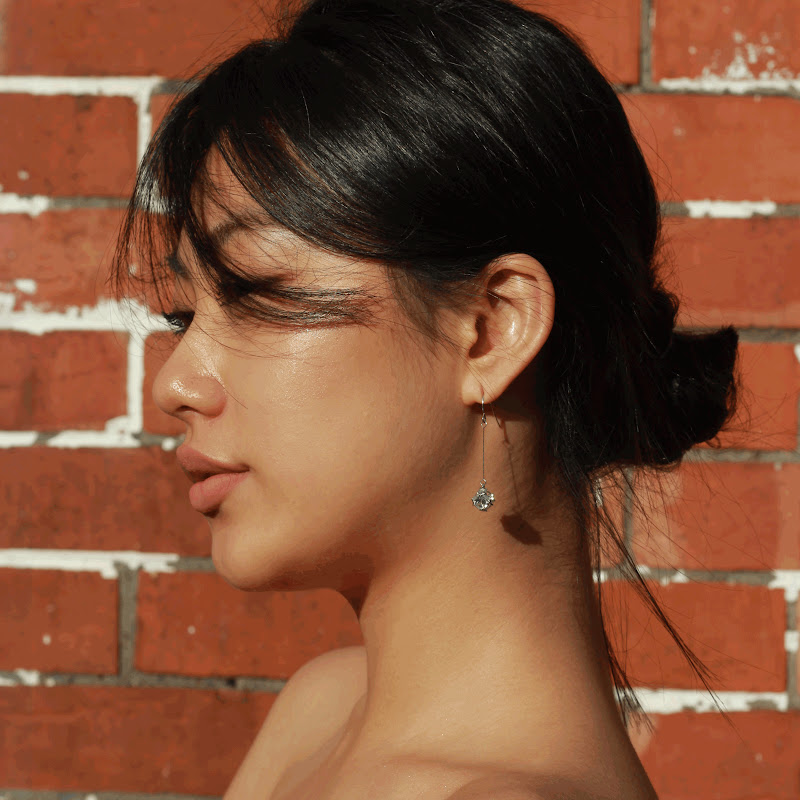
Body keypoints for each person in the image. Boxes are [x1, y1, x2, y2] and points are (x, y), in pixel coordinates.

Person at [111, 0, 740, 797]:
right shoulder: (322, 712)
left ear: (492, 329)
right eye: (184, 316)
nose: (173, 383)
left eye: (259, 296)